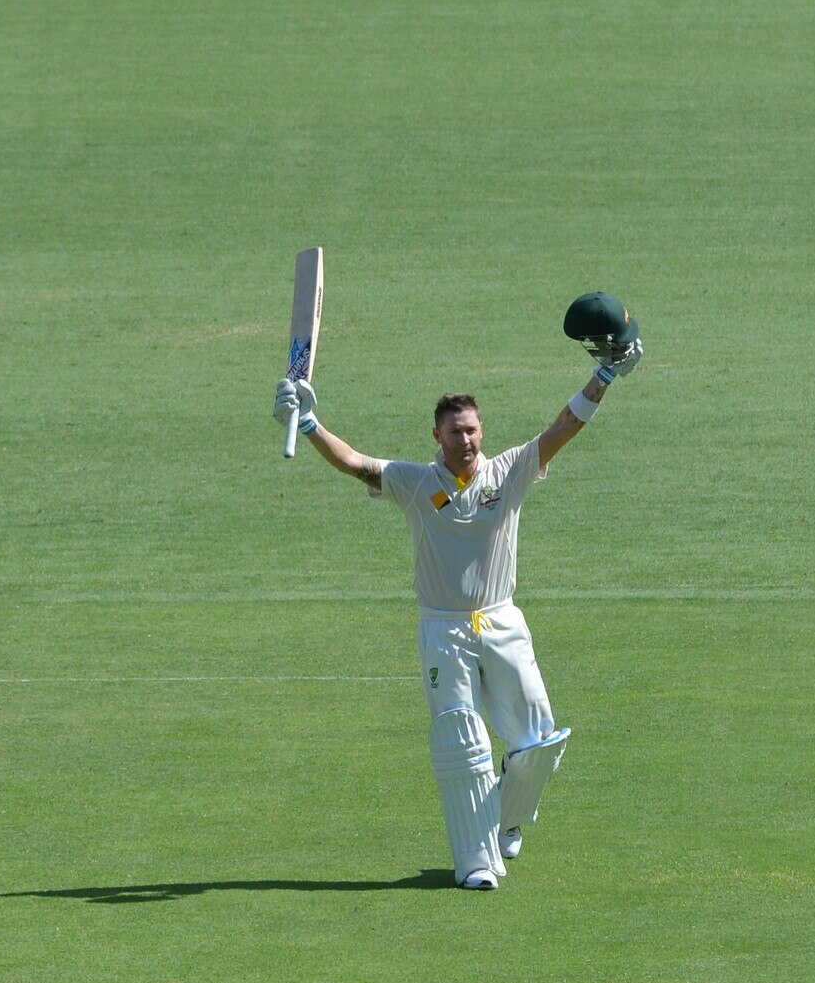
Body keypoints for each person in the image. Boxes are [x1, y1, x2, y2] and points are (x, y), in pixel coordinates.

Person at [272, 307, 641, 889]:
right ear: (436, 437)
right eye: (453, 431)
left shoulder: (509, 472)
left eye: (471, 429)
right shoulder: (417, 484)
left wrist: (606, 377)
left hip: (502, 622)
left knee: (540, 742)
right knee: (460, 736)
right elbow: (356, 464)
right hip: (443, 628)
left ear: (481, 432)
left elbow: (563, 427)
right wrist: (310, 422)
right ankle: (475, 863)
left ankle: (506, 822)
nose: (464, 439)